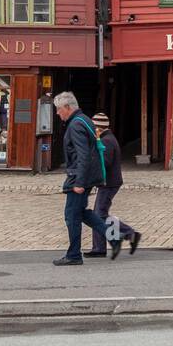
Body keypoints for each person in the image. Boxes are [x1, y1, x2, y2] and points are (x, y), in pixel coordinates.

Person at [52, 92, 121, 265]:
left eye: (59, 109)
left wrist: (79, 182)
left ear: (67, 108)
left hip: (79, 177)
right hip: (88, 175)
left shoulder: (76, 125)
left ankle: (74, 255)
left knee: (71, 215)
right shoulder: (85, 120)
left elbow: (83, 155)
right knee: (81, 212)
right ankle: (112, 237)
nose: (57, 113)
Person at [87, 113, 142, 258]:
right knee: (99, 214)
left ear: (98, 128)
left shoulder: (107, 141)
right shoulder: (107, 139)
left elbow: (104, 162)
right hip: (108, 183)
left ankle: (129, 234)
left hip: (109, 183)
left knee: (99, 215)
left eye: (93, 128)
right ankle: (99, 247)